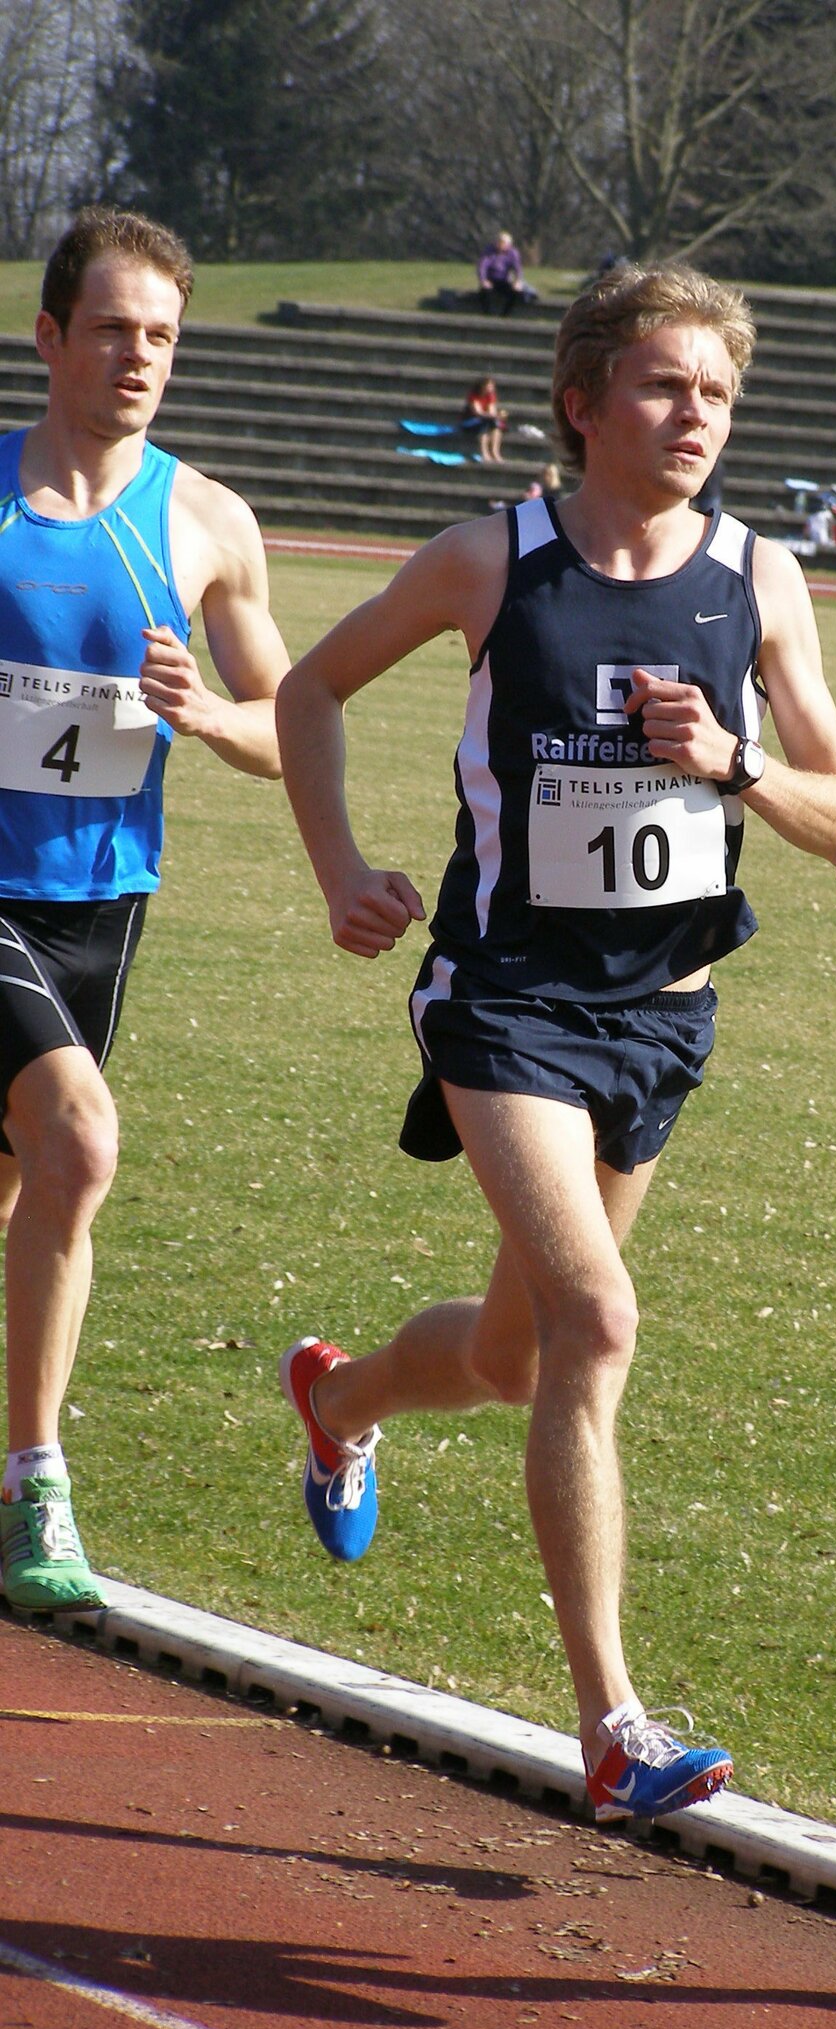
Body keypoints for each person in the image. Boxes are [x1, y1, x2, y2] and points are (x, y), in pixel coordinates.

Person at [276, 262, 836, 1826]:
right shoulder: (490, 562)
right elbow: (311, 687)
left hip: (661, 1019)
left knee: (515, 1351)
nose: (696, 418)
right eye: (667, 387)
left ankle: (337, 1405)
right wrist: (344, 870)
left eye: (720, 394)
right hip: (504, 999)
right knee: (597, 1322)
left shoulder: (762, 579)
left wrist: (731, 762)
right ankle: (613, 1723)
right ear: (584, 400)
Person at [0, 208, 287, 1613]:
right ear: (49, 337)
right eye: (112, 328)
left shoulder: (204, 521)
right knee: (81, 1142)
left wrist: (210, 713)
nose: (138, 356)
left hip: (101, 907)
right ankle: (39, 1483)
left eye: (161, 335)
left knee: (26, 1183)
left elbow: (296, 727)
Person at [476, 231, 533, 315]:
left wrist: (518, 281)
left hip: (503, 280)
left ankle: (505, 315)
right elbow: (482, 266)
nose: (501, 244)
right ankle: (487, 314)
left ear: (509, 244)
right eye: (499, 242)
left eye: (503, 243)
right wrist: (483, 280)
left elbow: (518, 268)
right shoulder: (489, 251)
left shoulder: (513, 253)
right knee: (485, 292)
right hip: (490, 280)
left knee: (516, 292)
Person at [459, 377, 506, 464]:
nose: (492, 388)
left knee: (496, 425)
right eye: (489, 386)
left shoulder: (491, 396)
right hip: (470, 421)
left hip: (484, 420)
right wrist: (492, 415)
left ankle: (495, 452)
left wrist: (496, 416)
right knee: (484, 425)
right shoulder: (474, 396)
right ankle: (484, 453)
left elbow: (492, 410)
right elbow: (478, 412)